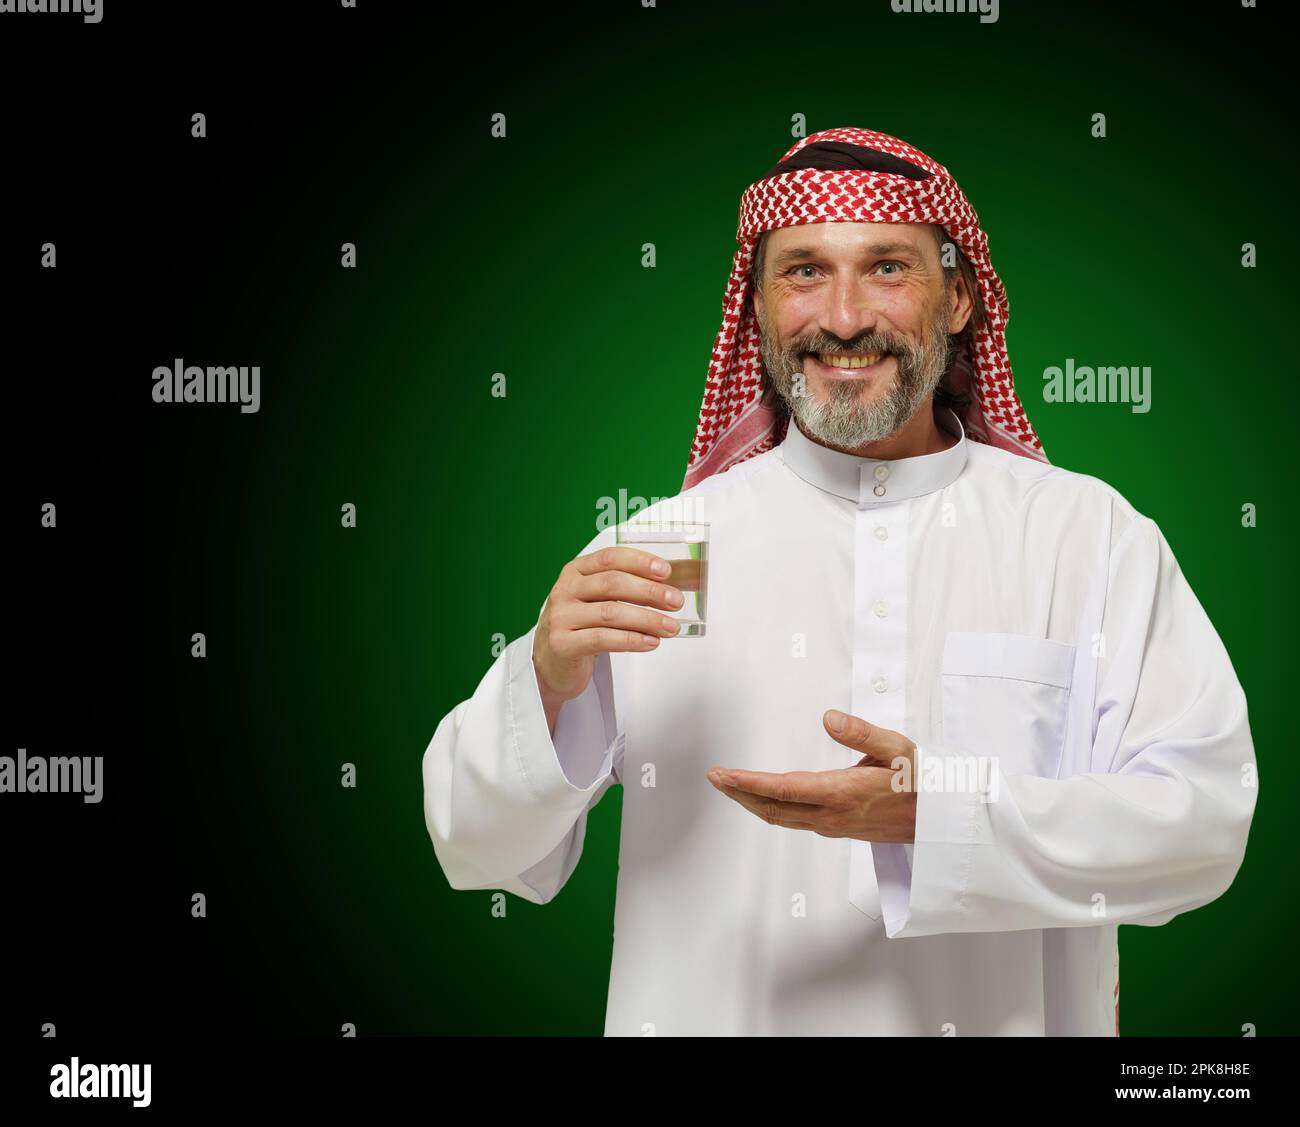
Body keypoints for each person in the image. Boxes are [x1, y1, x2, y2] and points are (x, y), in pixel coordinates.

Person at [421, 126, 1257, 1036]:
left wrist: (937, 815)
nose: (846, 317)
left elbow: (1201, 830)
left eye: (889, 268)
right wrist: (543, 678)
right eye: (805, 271)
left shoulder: (1083, 537)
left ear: (962, 299)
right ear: (758, 307)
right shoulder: (675, 550)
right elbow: (479, 849)